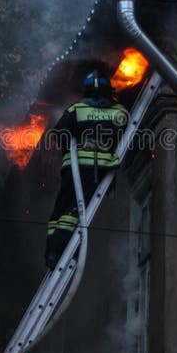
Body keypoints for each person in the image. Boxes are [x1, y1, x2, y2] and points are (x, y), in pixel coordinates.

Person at [45, 68, 128, 268]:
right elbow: (129, 139)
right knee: (76, 212)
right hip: (101, 171)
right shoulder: (120, 112)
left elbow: (60, 134)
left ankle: (55, 253)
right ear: (110, 91)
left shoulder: (77, 110)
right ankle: (63, 252)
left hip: (75, 169)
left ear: (86, 91)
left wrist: (71, 150)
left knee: (64, 213)